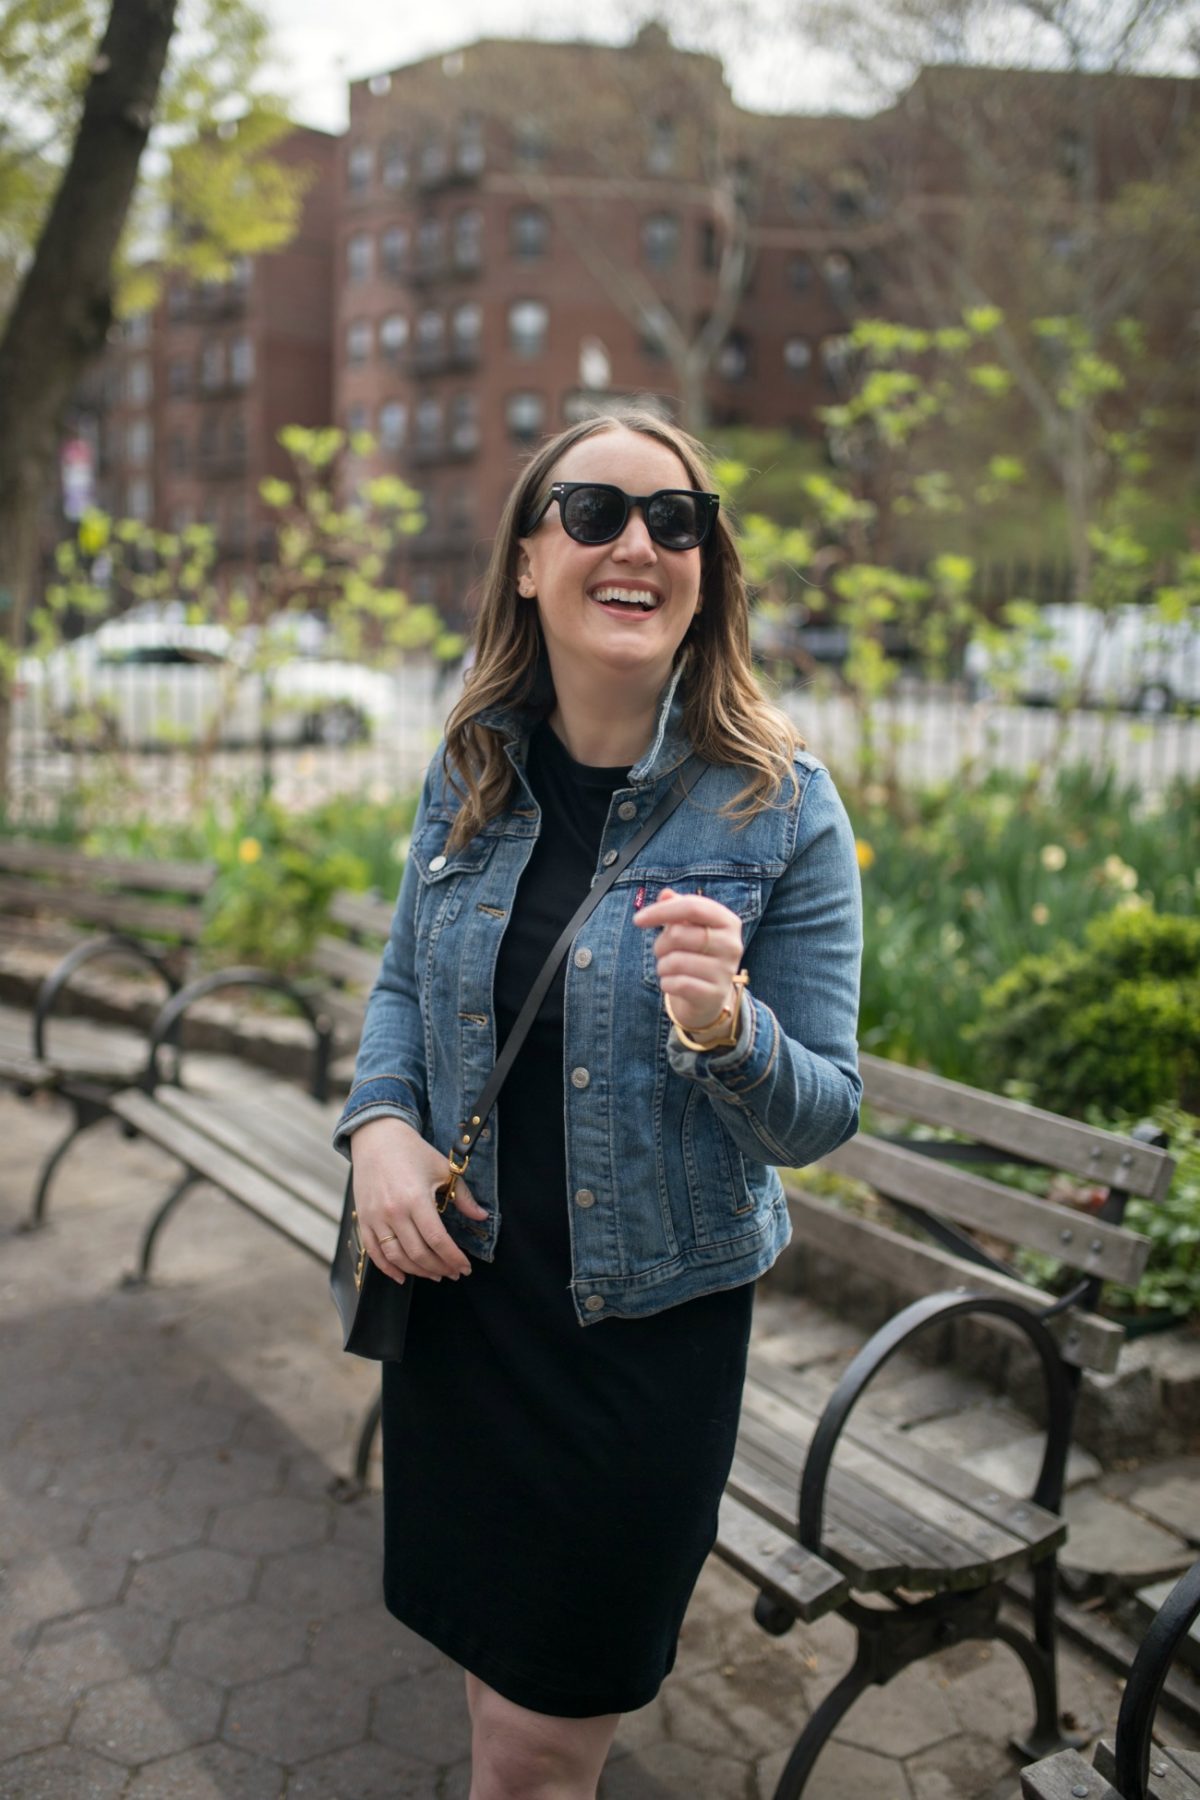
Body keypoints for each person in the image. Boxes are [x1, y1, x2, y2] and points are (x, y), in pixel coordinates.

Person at [333, 408, 863, 1800]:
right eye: (595, 512)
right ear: (526, 558)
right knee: (488, 1693)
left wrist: (729, 1029)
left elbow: (822, 1116)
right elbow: (401, 993)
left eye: (675, 522)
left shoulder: (782, 809)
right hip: (464, 1316)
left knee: (533, 1752)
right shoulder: (472, 769)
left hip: (641, 1352)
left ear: (706, 570)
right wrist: (380, 1130)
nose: (638, 542)